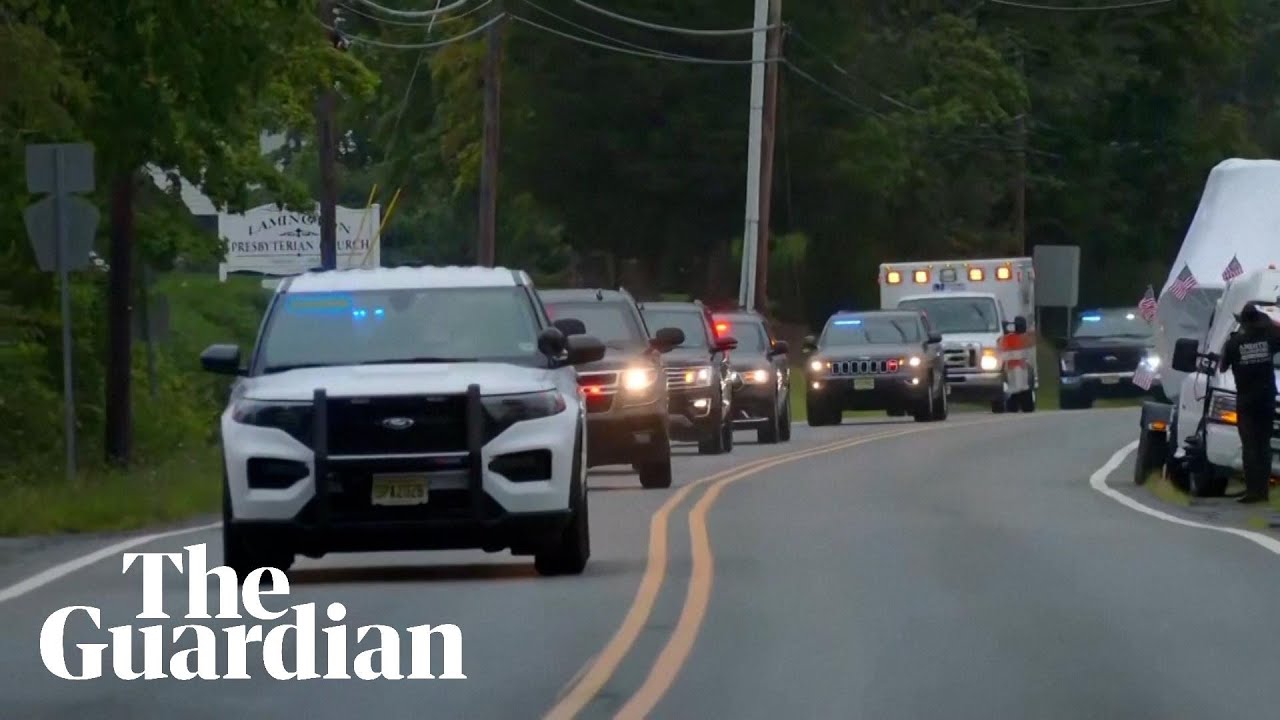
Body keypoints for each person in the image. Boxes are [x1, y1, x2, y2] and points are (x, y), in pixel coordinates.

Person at [1217, 302, 1280, 504]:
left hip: (1247, 401)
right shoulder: (1270, 338)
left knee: (1250, 446)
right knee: (1264, 446)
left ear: (1243, 322)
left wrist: (1231, 345)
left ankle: (1253, 491)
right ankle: (1263, 492)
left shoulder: (1235, 343)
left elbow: (1223, 366)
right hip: (1267, 399)